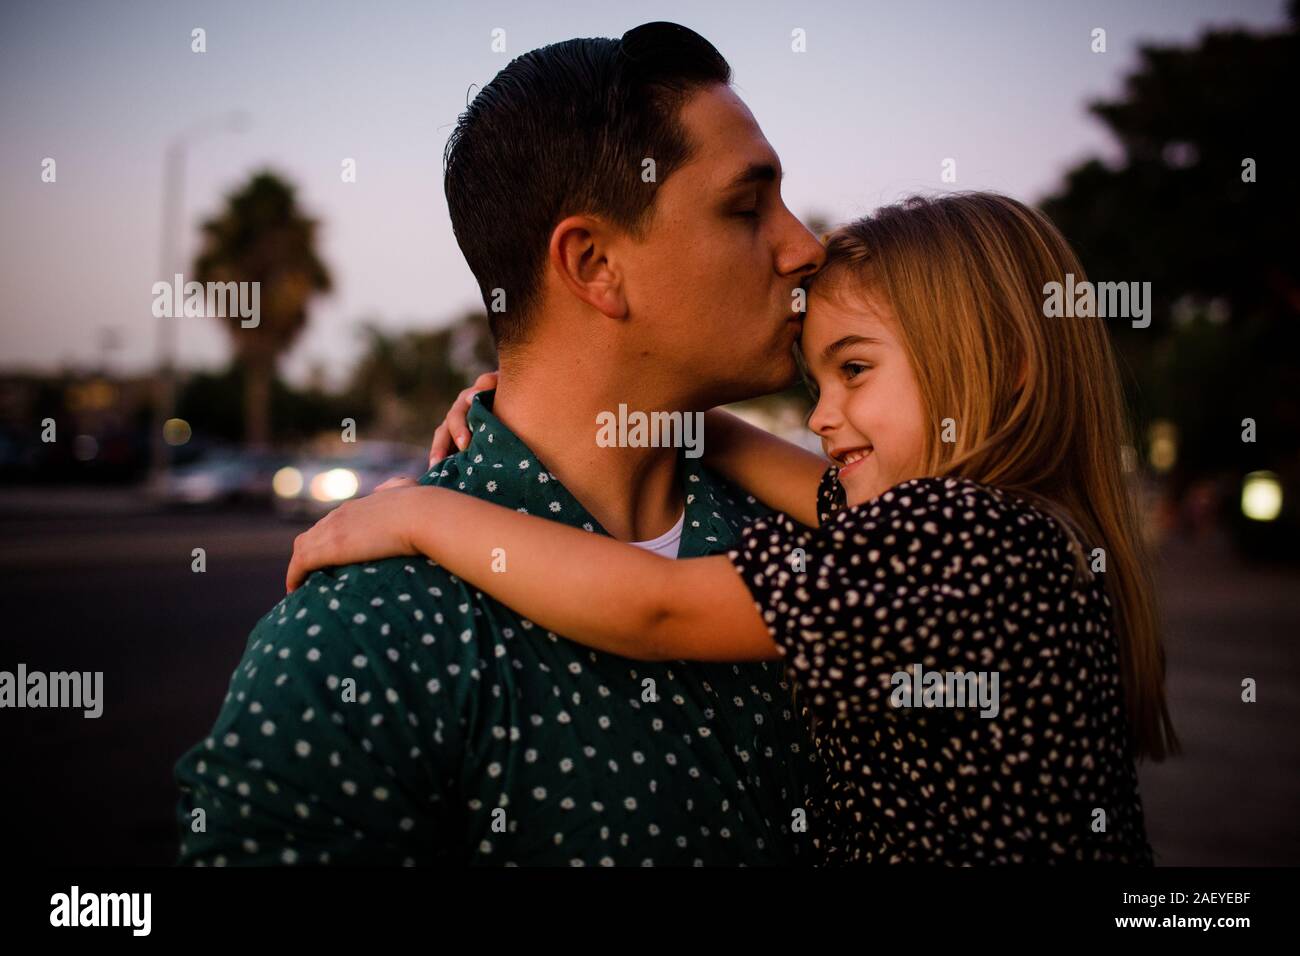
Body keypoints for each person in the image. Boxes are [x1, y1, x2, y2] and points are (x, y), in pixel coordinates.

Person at [287, 192, 1179, 864]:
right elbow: (787, 472)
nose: (824, 417)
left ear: (1009, 371)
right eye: (818, 382)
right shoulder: (1006, 529)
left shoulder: (956, 537)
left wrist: (420, 511)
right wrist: (603, 401)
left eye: (855, 369)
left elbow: (659, 609)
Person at [174, 22, 828, 866]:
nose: (805, 247)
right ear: (593, 264)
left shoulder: (843, 529)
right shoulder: (365, 638)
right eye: (747, 208)